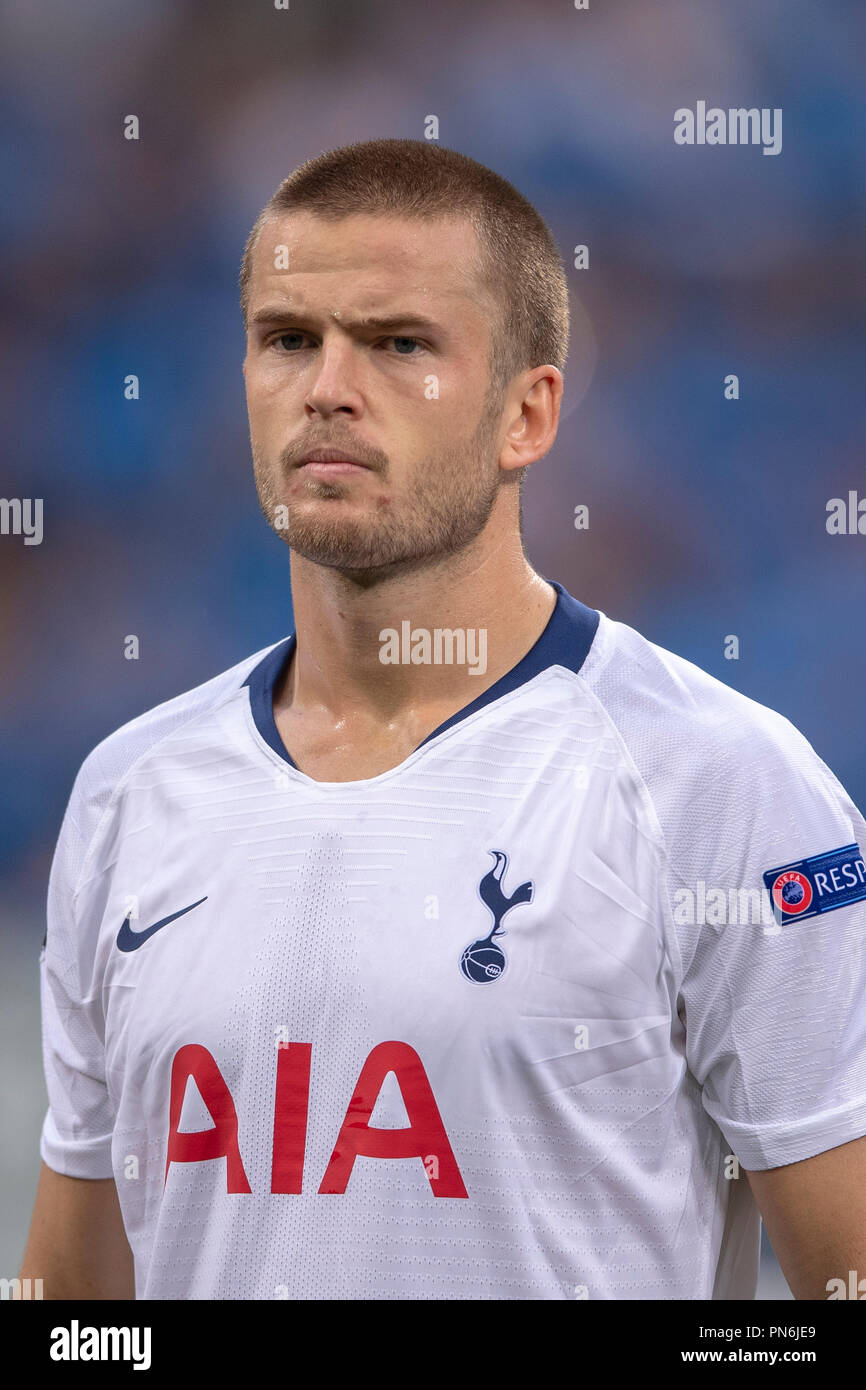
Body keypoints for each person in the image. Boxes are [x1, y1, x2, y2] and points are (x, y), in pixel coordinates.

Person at [20, 138, 866, 1300]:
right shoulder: (128, 793)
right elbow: (74, 1313)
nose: (326, 387)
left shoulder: (721, 785)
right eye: (286, 340)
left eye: (398, 344)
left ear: (527, 414)